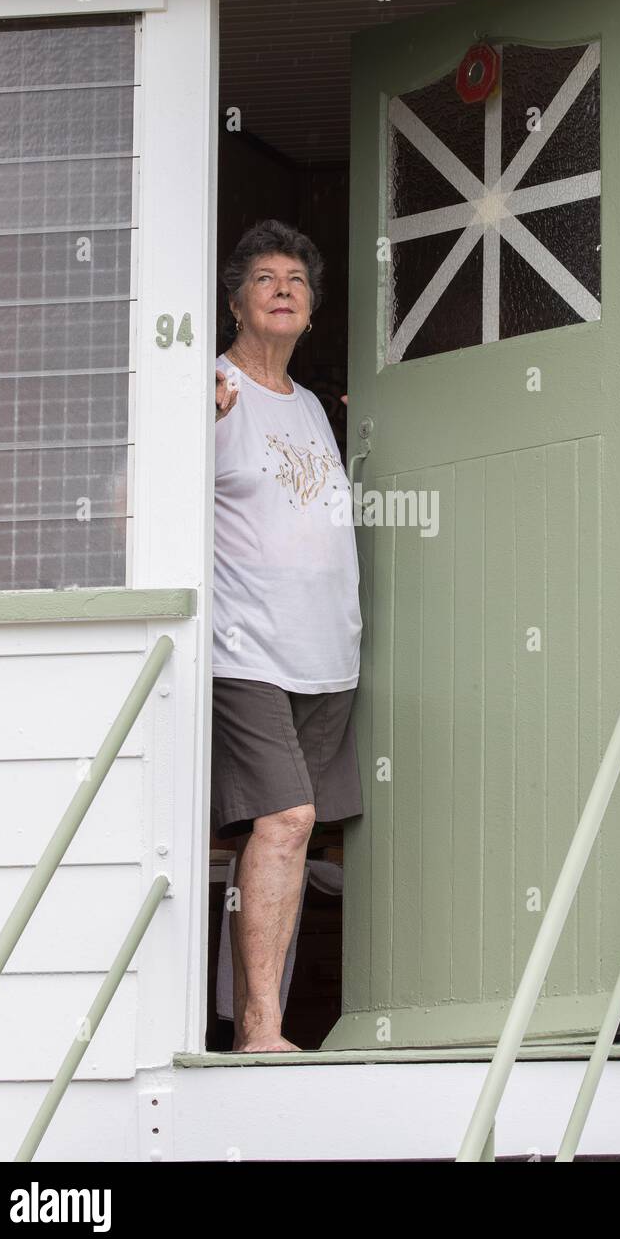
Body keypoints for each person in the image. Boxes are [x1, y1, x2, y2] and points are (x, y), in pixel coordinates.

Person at [212, 219, 363, 1052]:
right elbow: (140, 485)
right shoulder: (214, 387)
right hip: (246, 651)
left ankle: (252, 1017)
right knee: (285, 819)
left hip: (327, 655)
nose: (281, 289)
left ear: (310, 312)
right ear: (237, 300)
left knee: (292, 834)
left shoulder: (310, 406)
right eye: (264, 278)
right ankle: (260, 1033)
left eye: (296, 282)